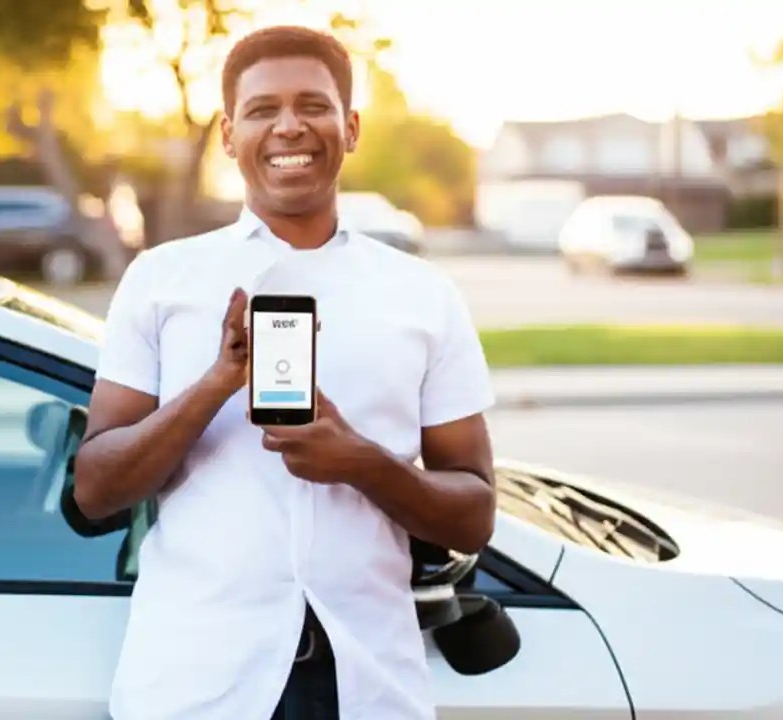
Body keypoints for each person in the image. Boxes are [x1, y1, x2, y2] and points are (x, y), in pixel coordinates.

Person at [73, 24, 497, 720]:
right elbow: (95, 489)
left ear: (351, 127)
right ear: (228, 134)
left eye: (314, 105)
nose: (290, 127)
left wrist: (361, 462)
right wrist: (216, 383)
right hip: (198, 689)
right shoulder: (161, 280)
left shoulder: (423, 294)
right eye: (264, 110)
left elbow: (474, 513)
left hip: (367, 687)